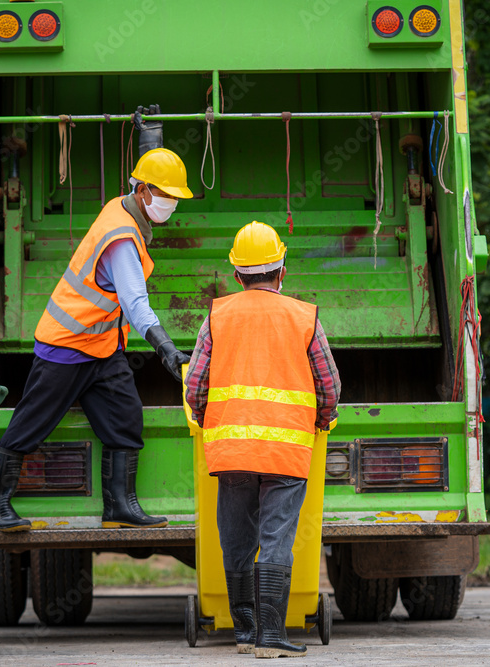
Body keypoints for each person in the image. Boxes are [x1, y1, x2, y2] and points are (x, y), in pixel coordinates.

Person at [0, 147, 194, 533]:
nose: (171, 205)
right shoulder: (122, 239)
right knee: (33, 422)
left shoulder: (124, 208)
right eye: (167, 196)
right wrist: (165, 349)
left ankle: (120, 507)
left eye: (176, 199)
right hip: (67, 346)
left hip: (103, 349)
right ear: (143, 191)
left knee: (125, 419)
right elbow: (134, 302)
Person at [184, 221, 341, 658]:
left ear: (237, 274)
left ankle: (244, 631)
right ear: (282, 270)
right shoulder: (304, 316)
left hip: (231, 450)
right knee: (276, 539)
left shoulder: (217, 315)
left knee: (235, 538)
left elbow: (196, 385)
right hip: (286, 452)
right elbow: (329, 385)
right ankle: (270, 637)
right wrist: (323, 419)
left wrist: (206, 417)